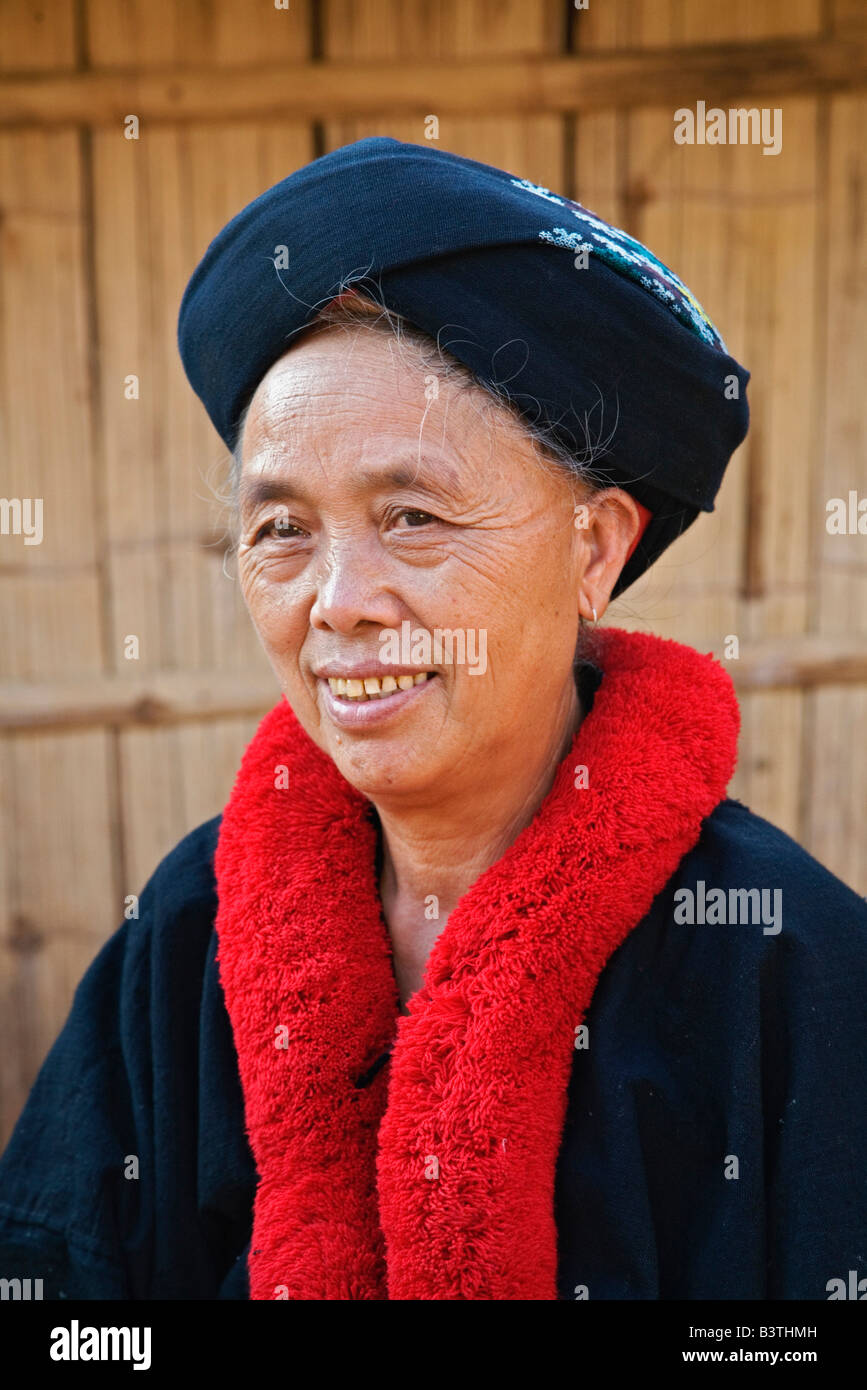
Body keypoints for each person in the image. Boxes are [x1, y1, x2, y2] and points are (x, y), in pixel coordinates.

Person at [0, 137, 864, 1301]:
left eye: (412, 516)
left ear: (592, 549)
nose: (339, 604)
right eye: (281, 530)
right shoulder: (184, 932)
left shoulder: (792, 966)